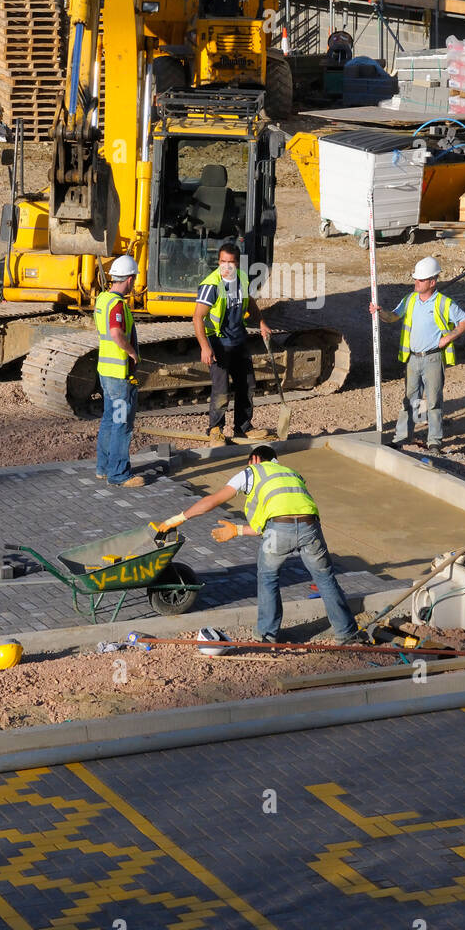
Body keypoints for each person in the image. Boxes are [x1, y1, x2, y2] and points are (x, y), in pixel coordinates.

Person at [156, 445, 360, 645]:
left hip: (278, 529)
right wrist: (236, 530)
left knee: (268, 577)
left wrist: (178, 519)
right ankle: (346, 632)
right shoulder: (292, 474)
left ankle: (267, 634)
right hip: (310, 527)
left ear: (254, 459)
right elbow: (279, 515)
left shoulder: (250, 472)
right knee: (325, 578)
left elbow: (212, 501)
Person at [369, 255, 465, 453]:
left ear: (432, 282)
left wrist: (448, 338)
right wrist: (379, 312)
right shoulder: (411, 299)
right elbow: (393, 317)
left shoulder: (444, 303)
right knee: (410, 399)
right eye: (416, 279)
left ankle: (434, 441)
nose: (416, 282)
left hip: (433, 358)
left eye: (421, 280)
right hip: (412, 359)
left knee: (432, 401)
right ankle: (402, 438)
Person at [193, 242, 272, 444]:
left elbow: (250, 303)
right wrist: (204, 347)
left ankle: (243, 428)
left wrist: (261, 323)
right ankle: (215, 430)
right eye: (222, 262)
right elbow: (197, 317)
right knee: (221, 390)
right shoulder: (211, 285)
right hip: (218, 342)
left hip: (238, 339)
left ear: (237, 263)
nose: (226, 266)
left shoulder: (242, 278)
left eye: (230, 262)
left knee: (246, 385)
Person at [94, 254, 145, 488]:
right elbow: (116, 333)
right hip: (118, 374)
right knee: (121, 424)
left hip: (105, 371)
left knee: (108, 420)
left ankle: (103, 468)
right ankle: (119, 474)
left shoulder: (102, 299)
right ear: (130, 278)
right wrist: (132, 352)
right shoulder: (116, 304)